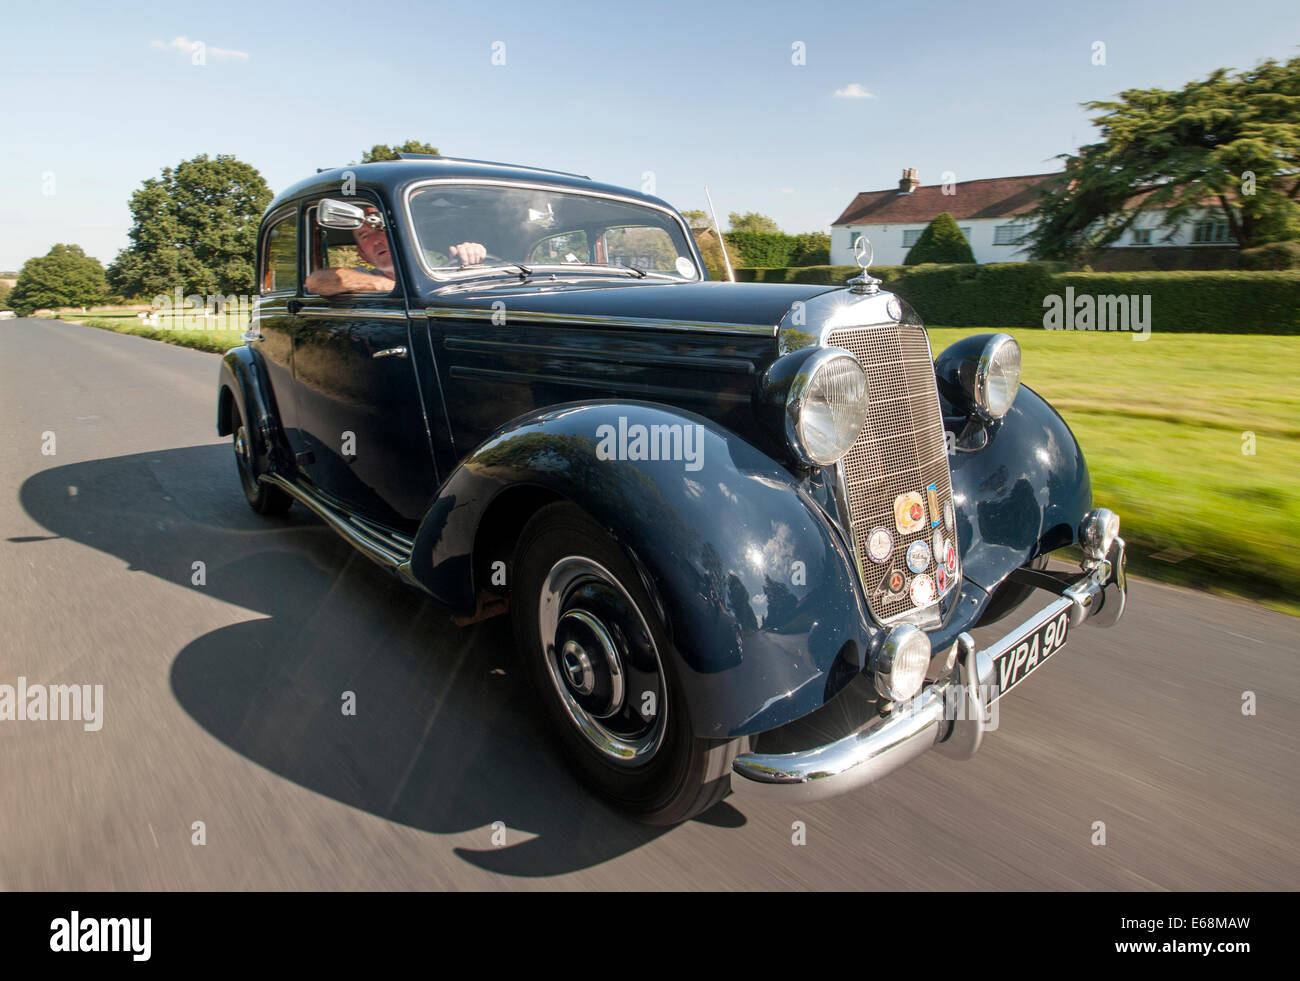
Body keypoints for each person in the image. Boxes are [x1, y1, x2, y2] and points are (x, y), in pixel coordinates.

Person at [305, 205, 486, 296]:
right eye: (365, 236)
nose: (376, 240)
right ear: (362, 254)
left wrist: (472, 257)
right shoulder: (363, 277)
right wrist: (388, 286)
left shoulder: (436, 270)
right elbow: (315, 281)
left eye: (380, 229)